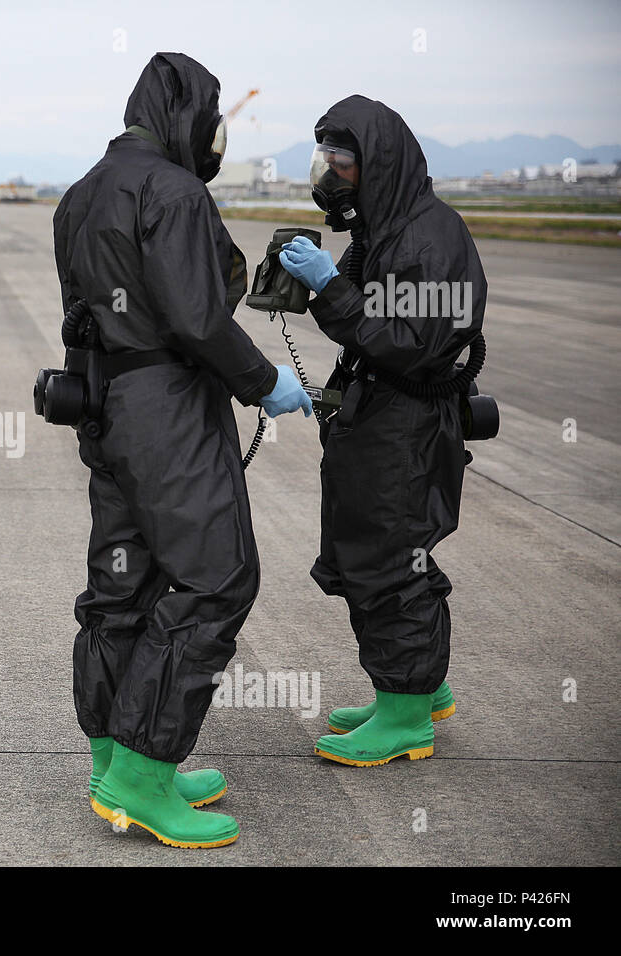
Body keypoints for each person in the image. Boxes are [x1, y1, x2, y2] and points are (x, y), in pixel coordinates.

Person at [52, 52, 311, 849]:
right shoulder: (175, 191)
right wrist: (265, 380)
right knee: (215, 578)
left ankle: (112, 760)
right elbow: (200, 319)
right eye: (212, 117)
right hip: (166, 409)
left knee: (121, 582)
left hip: (105, 405)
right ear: (188, 116)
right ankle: (143, 771)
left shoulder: (80, 193)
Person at [278, 96, 486, 766]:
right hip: (378, 416)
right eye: (326, 159)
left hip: (406, 423)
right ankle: (411, 689)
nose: (331, 173)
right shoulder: (385, 231)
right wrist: (318, 282)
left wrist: (330, 288)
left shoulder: (430, 236)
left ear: (379, 165)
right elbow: (360, 321)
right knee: (373, 551)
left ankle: (407, 717)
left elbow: (406, 341)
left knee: (392, 561)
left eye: (344, 160)